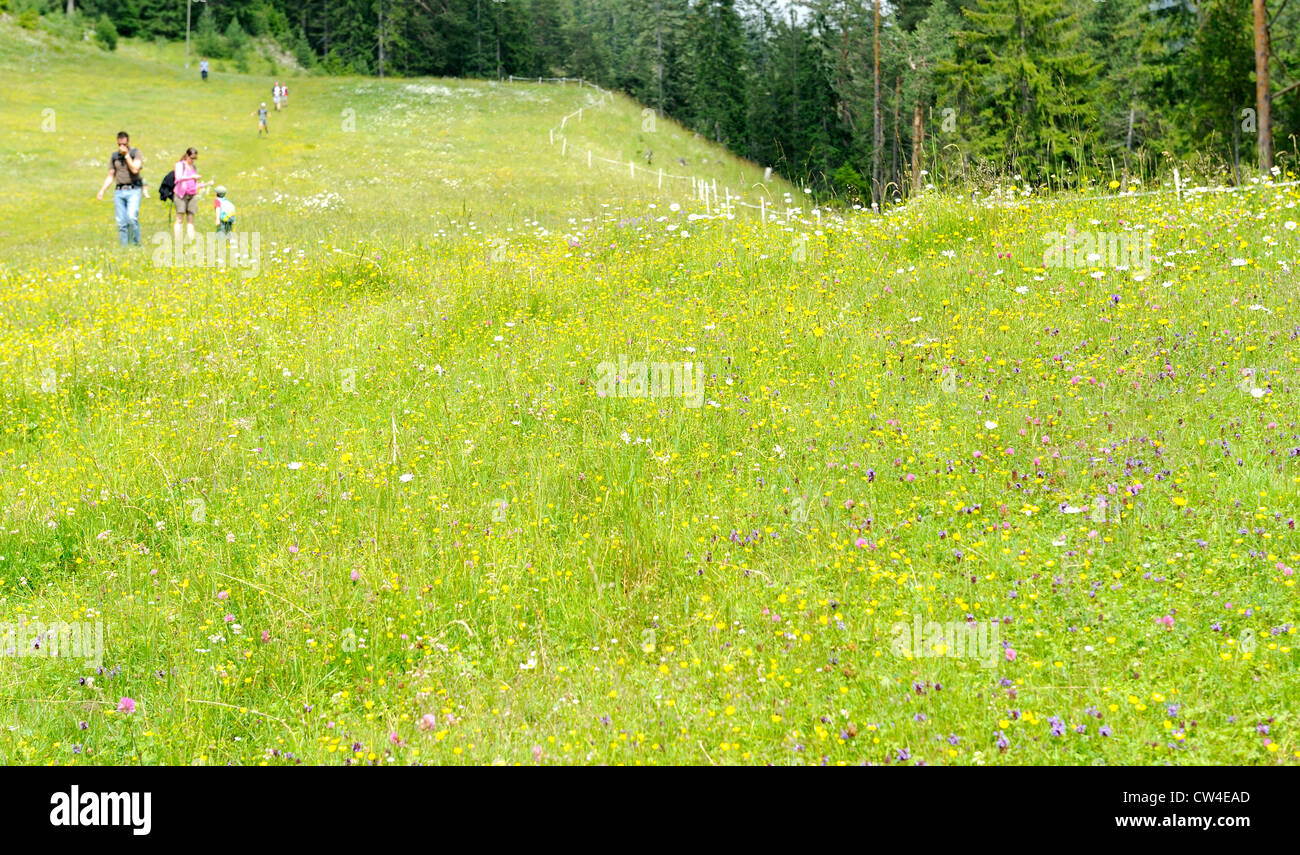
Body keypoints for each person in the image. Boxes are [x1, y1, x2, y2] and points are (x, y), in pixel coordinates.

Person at [96, 131, 143, 247]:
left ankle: (137, 246)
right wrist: (102, 190)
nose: (121, 147)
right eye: (119, 144)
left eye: (124, 144)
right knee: (121, 222)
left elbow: (135, 170)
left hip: (134, 190)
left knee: (132, 218)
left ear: (128, 142)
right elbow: (111, 175)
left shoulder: (136, 153)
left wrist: (127, 155)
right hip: (119, 191)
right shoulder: (114, 156)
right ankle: (125, 248)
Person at [171, 147, 211, 245]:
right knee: (180, 218)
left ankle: (191, 241)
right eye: (192, 158)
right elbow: (178, 178)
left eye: (195, 158)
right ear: (187, 156)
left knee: (190, 220)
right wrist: (191, 177)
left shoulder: (193, 167)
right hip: (181, 195)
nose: (193, 160)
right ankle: (178, 241)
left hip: (192, 195)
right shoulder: (180, 165)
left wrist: (206, 184)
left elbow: (195, 183)